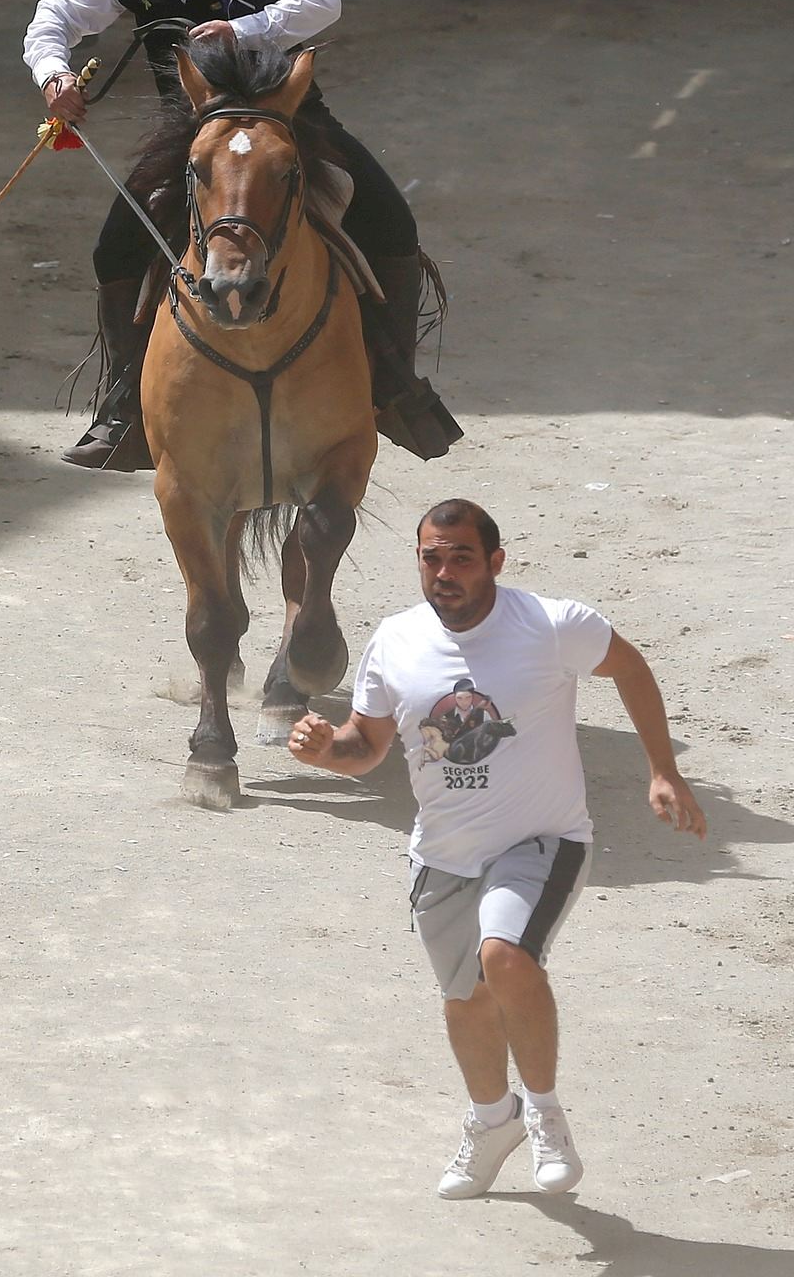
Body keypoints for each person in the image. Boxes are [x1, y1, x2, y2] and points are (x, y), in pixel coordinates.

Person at [288, 498, 707, 1199]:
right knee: (465, 1000)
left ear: (495, 562)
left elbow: (631, 668)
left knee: (504, 955)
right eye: (432, 558)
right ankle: (492, 1121)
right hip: (442, 852)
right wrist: (324, 750)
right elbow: (366, 747)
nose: (444, 572)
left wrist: (663, 769)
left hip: (543, 838)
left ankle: (544, 1113)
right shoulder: (395, 640)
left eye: (461, 557)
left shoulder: (551, 625)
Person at [24, 0, 461, 467]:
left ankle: (396, 386)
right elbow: (51, 18)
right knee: (115, 250)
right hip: (191, 132)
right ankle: (125, 406)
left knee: (390, 223)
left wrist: (244, 30)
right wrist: (54, 75)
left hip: (288, 117)